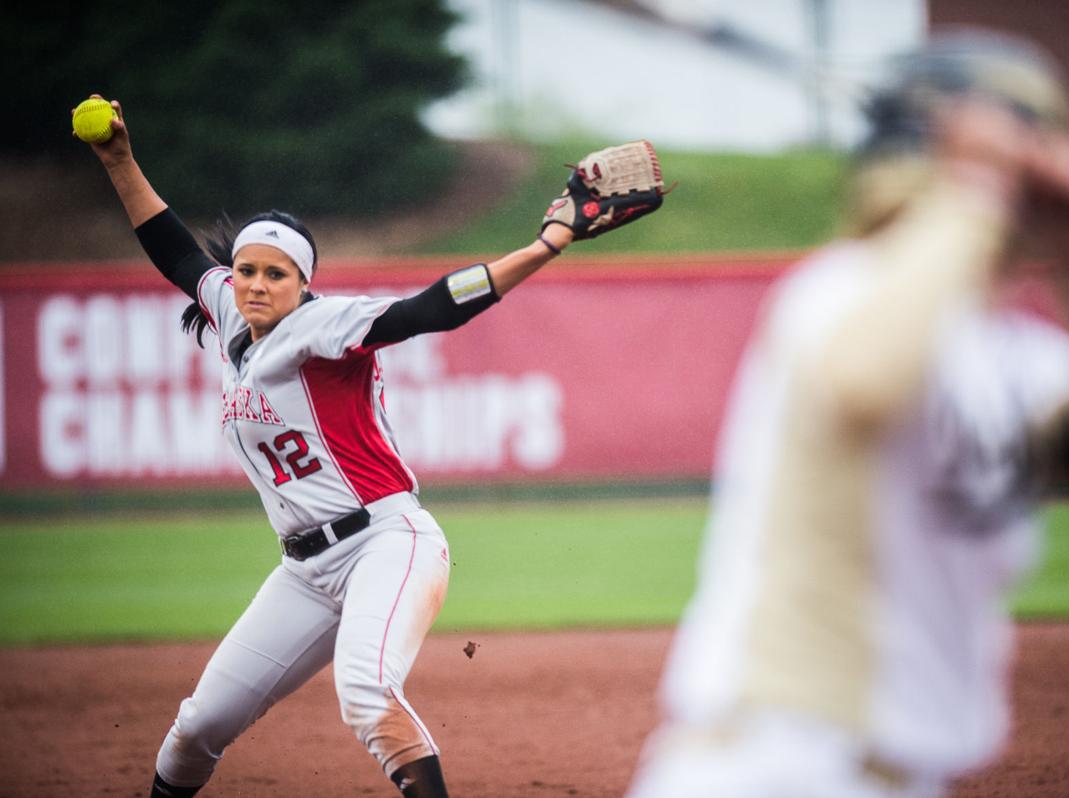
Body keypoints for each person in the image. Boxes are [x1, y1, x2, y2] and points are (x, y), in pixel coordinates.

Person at [626, 30, 1069, 798]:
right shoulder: (835, 289)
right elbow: (867, 380)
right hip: (776, 761)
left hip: (906, 773)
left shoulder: (1018, 356)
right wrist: (977, 193)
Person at [78, 96, 661, 798]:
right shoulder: (231, 307)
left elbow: (431, 308)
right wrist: (119, 159)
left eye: (276, 274)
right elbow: (171, 247)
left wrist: (545, 246)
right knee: (197, 728)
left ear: (303, 285)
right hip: (304, 572)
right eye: (247, 270)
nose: (256, 284)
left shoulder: (323, 327)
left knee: (365, 692)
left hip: (388, 541)